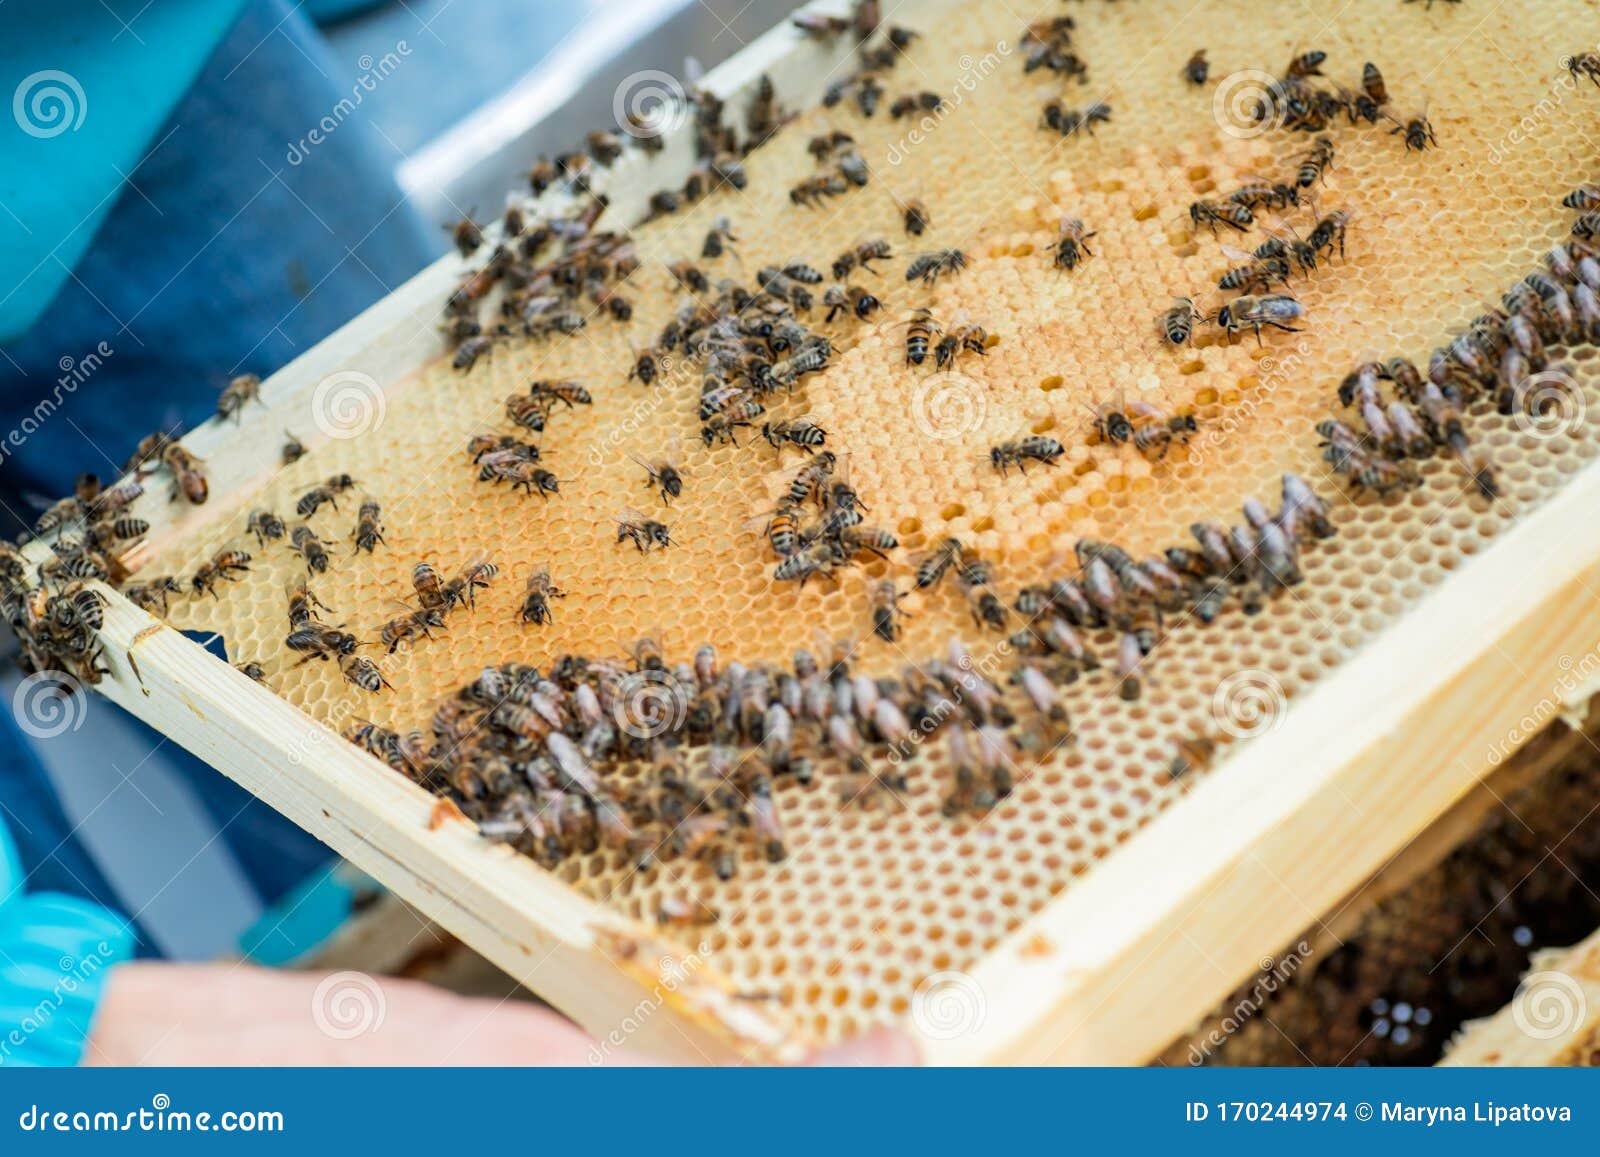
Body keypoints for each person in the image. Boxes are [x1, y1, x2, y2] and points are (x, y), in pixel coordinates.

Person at [0, 1, 917, 1065]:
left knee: (424, 638)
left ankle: (442, 912)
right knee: (280, 763)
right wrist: (63, 1027)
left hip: (111, 56)